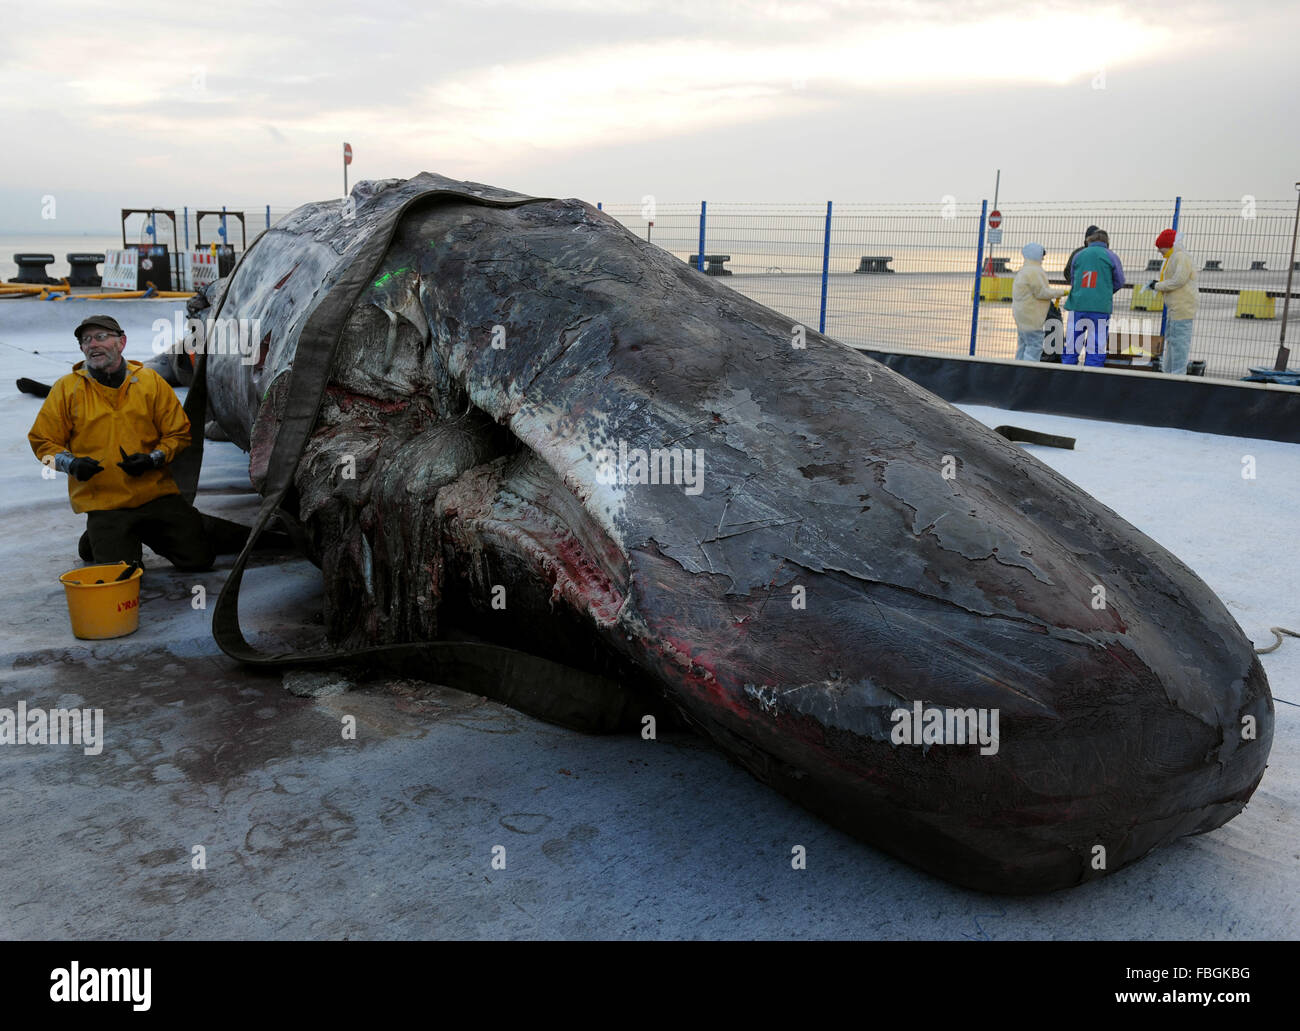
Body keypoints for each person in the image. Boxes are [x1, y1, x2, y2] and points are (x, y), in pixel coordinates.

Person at [28, 315, 215, 571]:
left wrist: (153, 459)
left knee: (199, 560)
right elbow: (42, 441)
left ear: (122, 342)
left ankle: (117, 535)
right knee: (124, 573)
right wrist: (71, 464)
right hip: (105, 504)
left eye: (101, 337)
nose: (93, 344)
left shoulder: (150, 382)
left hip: (155, 496)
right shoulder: (66, 389)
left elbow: (179, 434)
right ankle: (100, 535)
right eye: (86, 340)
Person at [1062, 229, 1125, 367]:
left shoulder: (1079, 255)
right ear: (1106, 242)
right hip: (1100, 307)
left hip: (1077, 305)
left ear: (1089, 240)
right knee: (1096, 344)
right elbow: (1120, 281)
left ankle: (1066, 370)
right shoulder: (1111, 256)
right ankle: (1092, 371)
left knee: (1072, 342)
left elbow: (1073, 278)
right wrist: (1106, 292)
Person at [1147, 228, 1197, 375]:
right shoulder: (1172, 258)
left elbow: (1178, 280)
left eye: (1160, 247)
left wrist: (1158, 286)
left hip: (1181, 309)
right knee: (1172, 342)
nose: (1159, 251)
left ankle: (1177, 375)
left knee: (1179, 344)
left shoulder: (1180, 257)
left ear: (1168, 245)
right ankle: (1169, 373)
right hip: (1175, 309)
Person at [1012, 243, 1067, 361]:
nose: (1043, 258)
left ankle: (1017, 368)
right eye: (1042, 255)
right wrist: (1062, 292)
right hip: (1032, 318)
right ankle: (1028, 369)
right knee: (1034, 345)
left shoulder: (1024, 270)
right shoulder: (1035, 271)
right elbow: (1042, 293)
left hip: (1021, 316)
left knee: (1022, 346)